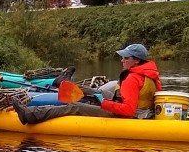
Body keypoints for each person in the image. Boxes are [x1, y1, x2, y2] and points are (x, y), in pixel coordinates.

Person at [14, 42, 161, 123]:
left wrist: (103, 102)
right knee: (91, 91)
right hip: (142, 112)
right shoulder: (150, 74)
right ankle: (63, 83)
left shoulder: (132, 78)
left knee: (74, 106)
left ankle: (30, 115)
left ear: (136, 60)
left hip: (128, 116)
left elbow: (128, 110)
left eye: (126, 58)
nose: (122, 60)